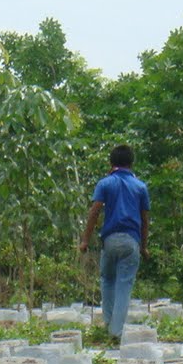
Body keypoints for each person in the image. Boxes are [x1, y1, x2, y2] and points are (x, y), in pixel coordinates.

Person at [79, 144, 150, 340]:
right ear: (131, 163)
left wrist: (85, 240)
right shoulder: (140, 187)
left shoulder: (105, 183)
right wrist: (144, 247)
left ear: (111, 163)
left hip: (109, 240)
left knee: (107, 280)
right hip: (131, 241)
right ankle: (116, 332)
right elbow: (145, 220)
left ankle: (108, 323)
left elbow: (94, 212)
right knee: (123, 285)